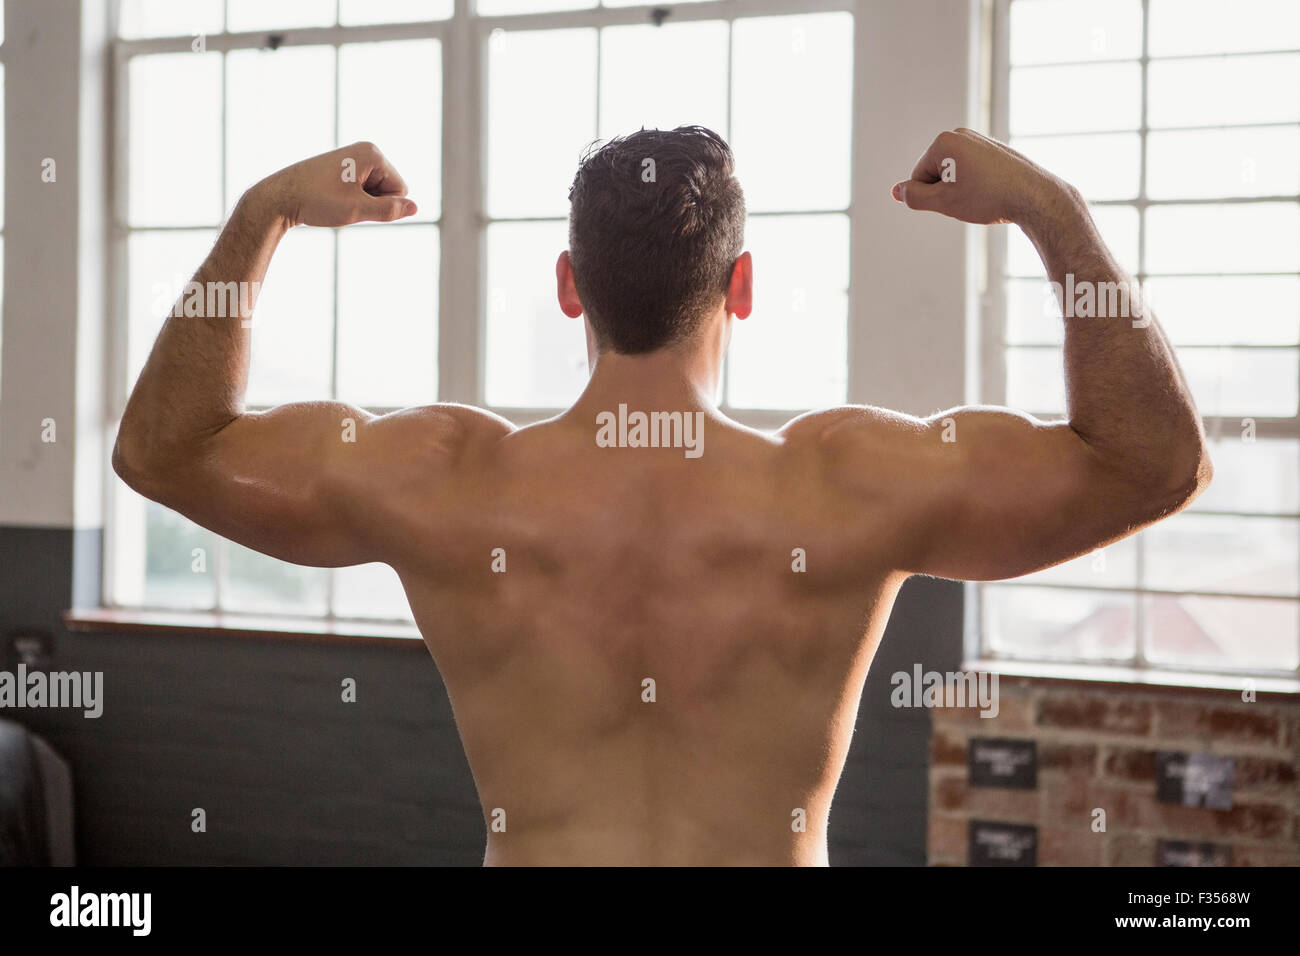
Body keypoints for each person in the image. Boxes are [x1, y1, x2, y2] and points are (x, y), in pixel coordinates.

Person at [114, 126, 1211, 865]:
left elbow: (166, 449)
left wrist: (263, 214)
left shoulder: (444, 478)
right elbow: (1155, 462)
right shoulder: (844, 483)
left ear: (566, 285)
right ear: (740, 287)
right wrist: (1050, 210)